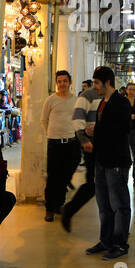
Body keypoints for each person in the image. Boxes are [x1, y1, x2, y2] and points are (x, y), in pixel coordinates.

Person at [85, 65, 132, 259]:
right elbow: (106, 128)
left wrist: (97, 131)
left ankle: (120, 244)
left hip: (116, 161)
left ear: (107, 83)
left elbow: (122, 129)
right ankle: (106, 240)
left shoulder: (121, 102)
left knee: (119, 204)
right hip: (102, 160)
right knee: (104, 204)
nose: (94, 86)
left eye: (96, 83)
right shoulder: (103, 102)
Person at [60, 80, 101, 232]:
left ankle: (116, 225)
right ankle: (69, 210)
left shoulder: (108, 96)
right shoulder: (87, 95)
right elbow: (77, 118)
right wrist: (84, 139)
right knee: (93, 184)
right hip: (91, 146)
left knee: (100, 185)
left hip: (104, 145)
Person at [41, 70, 79, 221]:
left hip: (70, 142)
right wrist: (50, 134)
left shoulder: (75, 100)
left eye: (65, 81)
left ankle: (60, 204)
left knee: (64, 176)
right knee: (52, 177)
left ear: (69, 83)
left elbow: (78, 119)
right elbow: (44, 120)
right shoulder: (50, 100)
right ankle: (50, 208)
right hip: (54, 143)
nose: (62, 84)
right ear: (56, 83)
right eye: (59, 81)